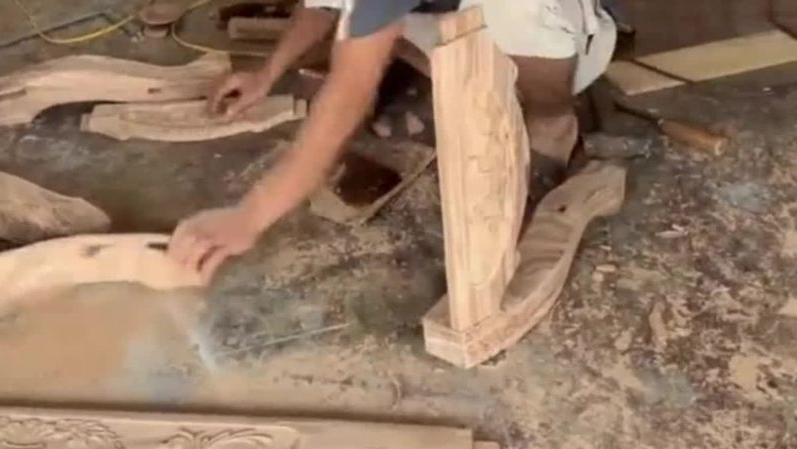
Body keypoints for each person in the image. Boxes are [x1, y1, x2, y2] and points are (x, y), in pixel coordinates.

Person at [168, 0, 617, 281]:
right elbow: (327, 4)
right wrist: (267, 73)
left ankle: (552, 123)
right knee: (374, 26)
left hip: (558, 20)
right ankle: (447, 74)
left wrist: (251, 215)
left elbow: (349, 89)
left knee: (516, 9)